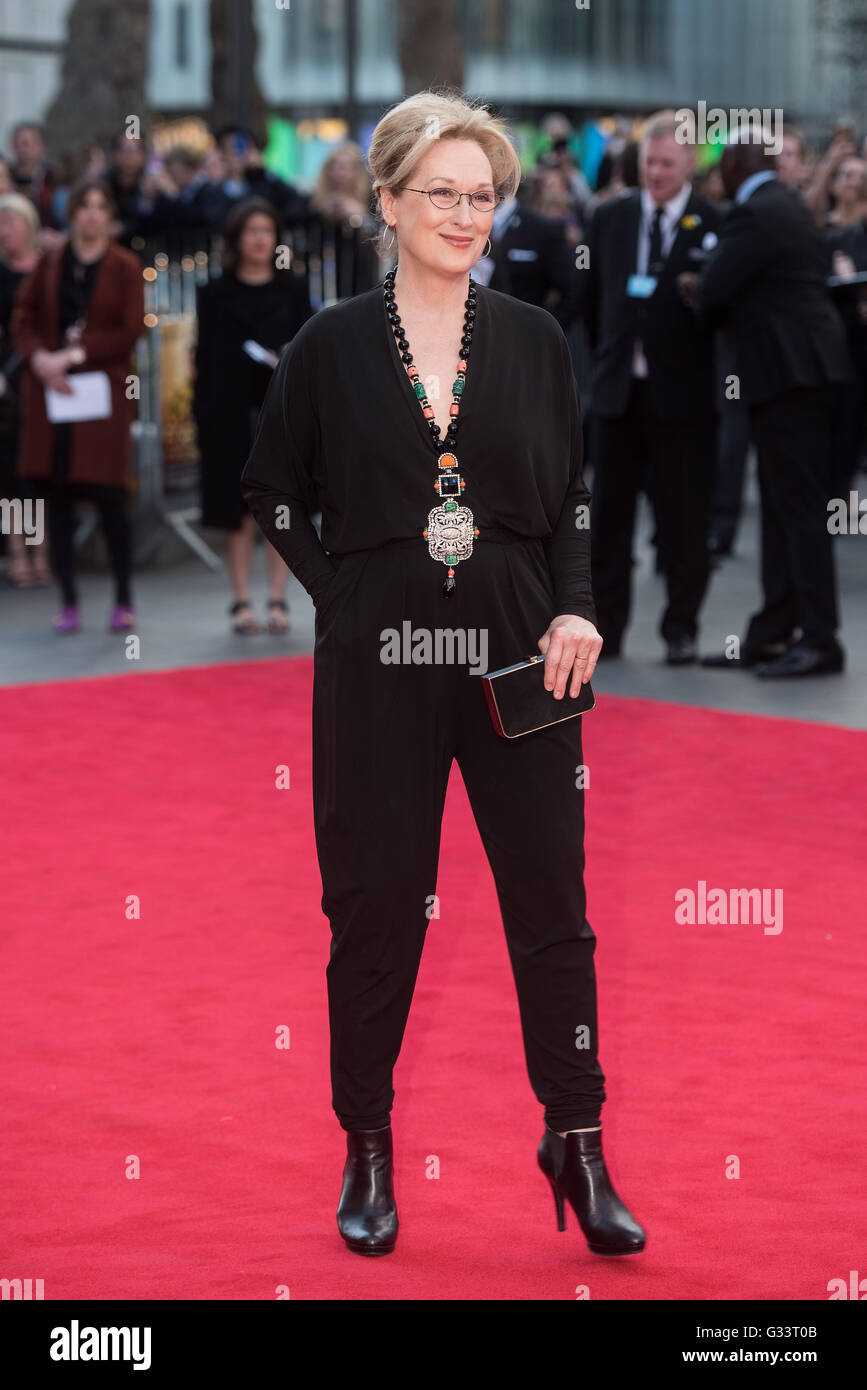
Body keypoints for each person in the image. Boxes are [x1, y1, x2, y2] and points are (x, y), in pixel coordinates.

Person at [240, 89, 646, 1261]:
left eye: (484, 196)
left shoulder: (532, 337)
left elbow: (573, 493)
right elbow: (271, 489)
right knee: (374, 909)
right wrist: (341, 597)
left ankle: (577, 1134)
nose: (466, 214)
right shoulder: (327, 345)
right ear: (388, 202)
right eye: (443, 194)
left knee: (553, 913)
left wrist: (578, 604)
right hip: (377, 666)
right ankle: (367, 1144)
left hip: (522, 653)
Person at [693, 131, 852, 677]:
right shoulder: (785, 204)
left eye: (722, 163)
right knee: (786, 507)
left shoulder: (754, 212)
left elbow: (714, 288)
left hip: (788, 378)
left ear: (738, 164)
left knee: (800, 509)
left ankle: (820, 638)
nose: (718, 174)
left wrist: (692, 287)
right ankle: (775, 632)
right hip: (802, 375)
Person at [578, 108, 720, 663]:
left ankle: (681, 629)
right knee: (608, 521)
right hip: (619, 396)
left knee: (683, 521)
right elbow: (591, 302)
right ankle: (606, 628)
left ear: (689, 163)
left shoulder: (715, 222)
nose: (656, 172)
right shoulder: (610, 218)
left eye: (667, 162)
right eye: (648, 162)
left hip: (684, 401)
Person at [11, 179, 144, 633]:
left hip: (101, 398)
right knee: (59, 498)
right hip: (54, 398)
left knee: (110, 498)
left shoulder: (125, 266)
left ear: (109, 215)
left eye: (99, 206)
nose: (91, 214)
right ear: (72, 214)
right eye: (83, 206)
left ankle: (123, 600)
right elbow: (23, 318)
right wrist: (39, 359)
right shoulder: (50, 262)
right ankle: (68, 601)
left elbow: (129, 330)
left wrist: (77, 353)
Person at [193, 197, 312, 634]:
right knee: (236, 511)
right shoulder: (214, 293)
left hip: (280, 412)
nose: (260, 239)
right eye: (251, 231)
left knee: (280, 507)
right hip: (228, 414)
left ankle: (278, 599)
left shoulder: (293, 288)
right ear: (237, 239)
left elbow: (308, 351)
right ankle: (241, 600)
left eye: (267, 230)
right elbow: (205, 359)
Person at [0, 193, 50, 586]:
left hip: (43, 377)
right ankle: (17, 551)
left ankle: (43, 550)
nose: (3, 231)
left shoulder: (49, 269)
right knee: (11, 475)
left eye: (9, 222)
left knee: (40, 471)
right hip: (7, 385)